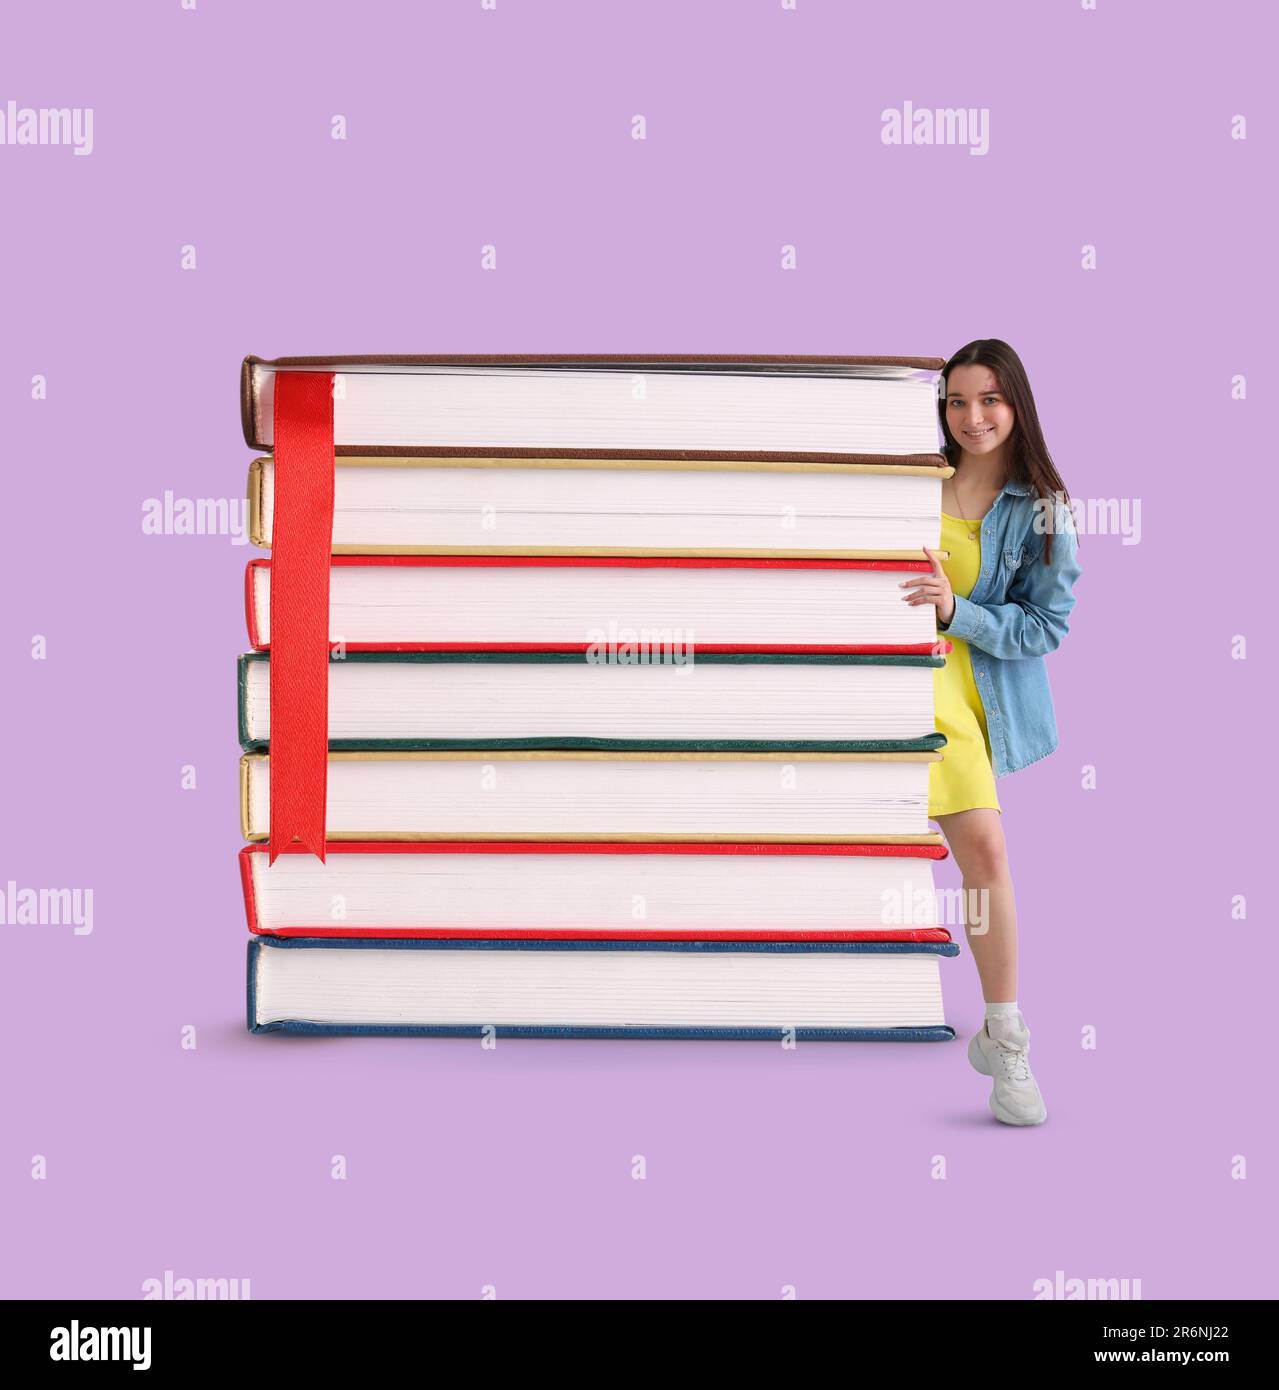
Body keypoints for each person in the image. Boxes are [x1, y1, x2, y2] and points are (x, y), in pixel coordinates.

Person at [901, 339, 1081, 1126]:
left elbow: (1047, 625)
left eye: (989, 401)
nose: (971, 419)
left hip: (956, 694)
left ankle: (1004, 1035)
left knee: (985, 854)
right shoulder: (904, 473)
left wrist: (955, 612)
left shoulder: (1038, 505)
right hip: (861, 685)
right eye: (956, 402)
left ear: (1016, 406)